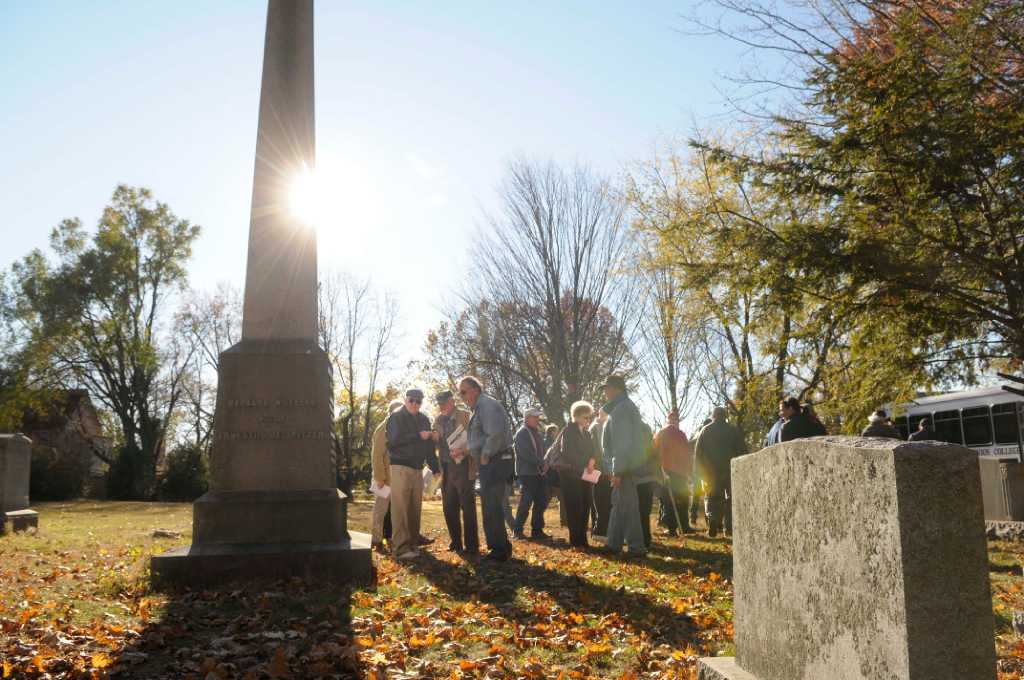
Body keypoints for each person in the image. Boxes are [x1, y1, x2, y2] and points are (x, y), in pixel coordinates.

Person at [461, 375, 515, 562]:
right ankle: (502, 547)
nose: (462, 396)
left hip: (495, 460)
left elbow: (495, 434)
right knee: (491, 504)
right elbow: (481, 437)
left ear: (476, 389)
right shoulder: (480, 407)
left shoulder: (487, 405)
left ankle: (499, 550)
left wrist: (485, 455)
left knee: (492, 505)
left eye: (464, 392)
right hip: (491, 461)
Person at [386, 389, 441, 560]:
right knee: (400, 509)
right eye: (412, 400)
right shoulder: (396, 417)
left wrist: (435, 467)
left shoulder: (424, 419)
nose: (415, 404)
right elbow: (394, 441)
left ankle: (412, 544)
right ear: (405, 400)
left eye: (419, 401)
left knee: (414, 509)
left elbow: (429, 446)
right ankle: (400, 549)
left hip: (417, 468)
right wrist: (417, 436)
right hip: (400, 467)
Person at [601, 375, 648, 557]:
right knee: (619, 504)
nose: (605, 392)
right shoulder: (624, 407)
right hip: (626, 465)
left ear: (616, 389)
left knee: (627, 506)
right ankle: (613, 544)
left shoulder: (621, 409)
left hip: (624, 467)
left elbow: (621, 444)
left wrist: (618, 471)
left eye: (607, 388)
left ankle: (636, 548)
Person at [432, 390, 479, 555]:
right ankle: (456, 542)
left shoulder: (466, 415)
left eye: (444, 403)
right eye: (440, 404)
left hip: (464, 465)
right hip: (446, 467)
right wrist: (434, 435)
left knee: (468, 507)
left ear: (452, 401)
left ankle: (472, 546)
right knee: (449, 507)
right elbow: (435, 437)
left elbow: (476, 440)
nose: (442, 407)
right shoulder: (438, 418)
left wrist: (464, 451)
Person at [693, 407, 746, 537]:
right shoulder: (733, 431)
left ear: (713, 416)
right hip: (730, 470)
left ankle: (712, 519)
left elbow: (698, 453)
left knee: (712, 498)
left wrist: (699, 472)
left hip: (711, 472)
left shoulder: (705, 430)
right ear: (725, 416)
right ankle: (729, 528)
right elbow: (742, 451)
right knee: (730, 499)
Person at [550, 401, 597, 549]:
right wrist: (586, 462)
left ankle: (582, 539)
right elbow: (568, 453)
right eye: (585, 417)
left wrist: (592, 460)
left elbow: (593, 450)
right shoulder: (568, 431)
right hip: (570, 475)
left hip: (584, 474)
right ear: (575, 416)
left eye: (589, 418)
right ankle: (576, 540)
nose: (588, 421)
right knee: (574, 507)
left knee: (585, 506)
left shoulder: (587, 433)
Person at [370, 399, 404, 552]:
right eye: (396, 411)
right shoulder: (382, 428)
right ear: (390, 412)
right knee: (380, 511)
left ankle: (394, 539)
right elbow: (376, 455)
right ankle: (376, 540)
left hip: (396, 477)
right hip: (383, 479)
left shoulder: (398, 427)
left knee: (396, 512)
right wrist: (380, 478)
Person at [512, 408, 550, 540]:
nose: (537, 419)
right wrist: (542, 462)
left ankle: (537, 530)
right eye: (535, 417)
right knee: (526, 502)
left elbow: (543, 452)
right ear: (527, 418)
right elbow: (526, 454)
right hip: (527, 473)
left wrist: (546, 462)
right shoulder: (522, 433)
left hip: (539, 473)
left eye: (538, 417)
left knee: (541, 501)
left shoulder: (536, 433)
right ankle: (517, 531)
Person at [655, 410, 691, 536]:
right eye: (673, 419)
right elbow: (687, 454)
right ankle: (676, 527)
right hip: (674, 471)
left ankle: (677, 527)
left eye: (675, 420)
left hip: (672, 471)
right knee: (675, 500)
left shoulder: (667, 433)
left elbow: (655, 451)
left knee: (672, 500)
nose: (674, 422)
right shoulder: (674, 434)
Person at [589, 410, 612, 538]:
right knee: (601, 503)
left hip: (603, 470)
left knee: (603, 503)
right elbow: (598, 451)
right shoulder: (596, 427)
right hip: (599, 471)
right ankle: (599, 531)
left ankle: (601, 530)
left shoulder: (603, 426)